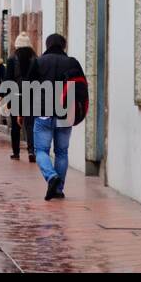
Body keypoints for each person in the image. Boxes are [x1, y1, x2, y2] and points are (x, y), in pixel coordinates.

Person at [26, 33, 87, 201]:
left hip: (43, 111)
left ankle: (51, 176)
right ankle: (59, 189)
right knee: (61, 152)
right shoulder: (72, 63)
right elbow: (81, 87)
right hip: (65, 112)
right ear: (63, 45)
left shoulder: (38, 62)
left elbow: (29, 88)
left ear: (47, 45)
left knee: (41, 150)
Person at [5, 32, 38, 162]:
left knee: (15, 125)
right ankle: (31, 151)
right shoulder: (35, 59)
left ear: (17, 45)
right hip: (31, 94)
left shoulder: (12, 59)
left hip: (15, 94)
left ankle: (16, 152)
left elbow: (8, 79)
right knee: (30, 124)